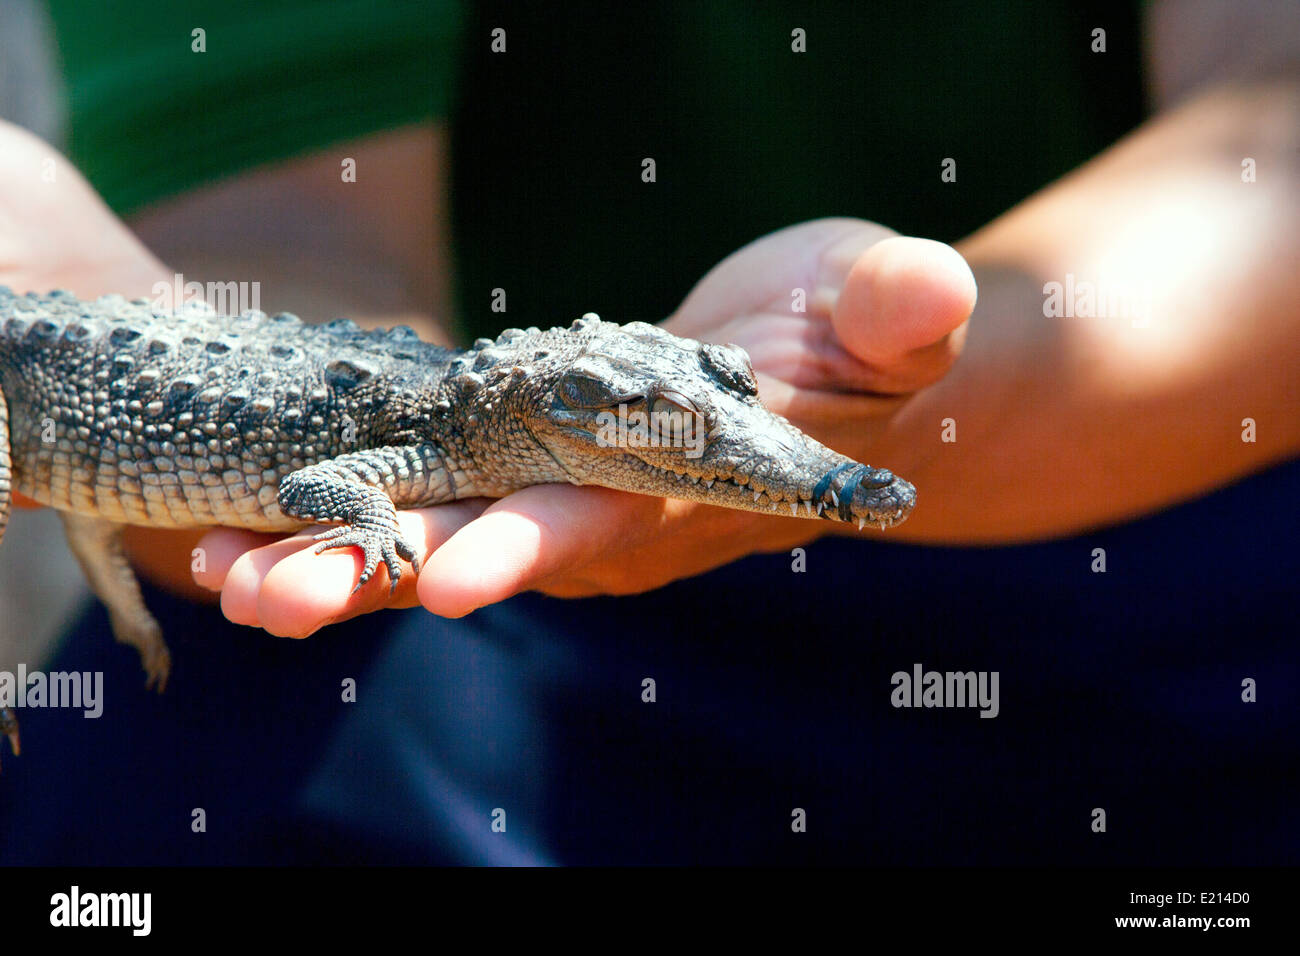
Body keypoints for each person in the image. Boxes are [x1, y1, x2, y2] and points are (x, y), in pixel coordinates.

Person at [0, 0, 1296, 863]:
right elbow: (286, 248)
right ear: (565, 411)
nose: (721, 430)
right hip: (435, 625)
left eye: (713, 393)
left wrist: (899, 395)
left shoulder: (520, 432)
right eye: (664, 413)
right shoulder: (442, 447)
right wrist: (370, 543)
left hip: (1148, 533)